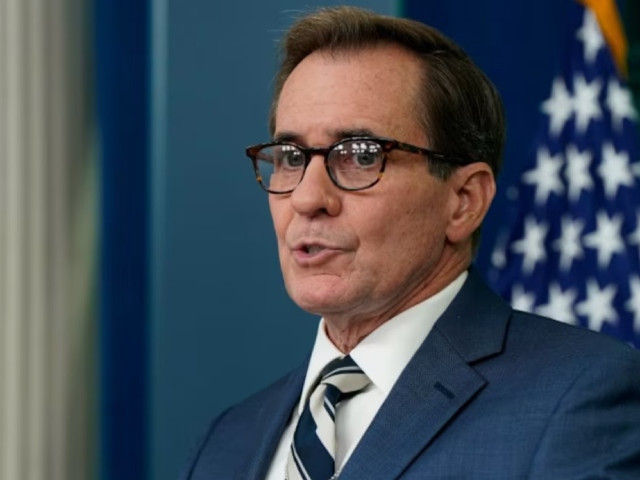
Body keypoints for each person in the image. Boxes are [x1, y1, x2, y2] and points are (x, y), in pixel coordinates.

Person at [181, 6, 640, 479]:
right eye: (292, 157)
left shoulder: (579, 399)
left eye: (360, 155)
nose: (308, 197)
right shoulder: (226, 441)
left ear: (463, 201)